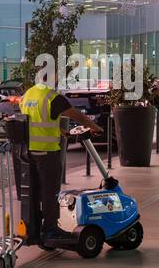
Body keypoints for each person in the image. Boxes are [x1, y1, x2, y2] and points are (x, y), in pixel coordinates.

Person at [19, 80, 104, 249]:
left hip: (30, 151)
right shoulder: (52, 97)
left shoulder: (28, 94)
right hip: (47, 152)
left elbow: (35, 120)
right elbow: (77, 115)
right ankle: (50, 229)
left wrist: (60, 131)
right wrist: (95, 127)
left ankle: (37, 229)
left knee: (36, 192)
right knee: (51, 192)